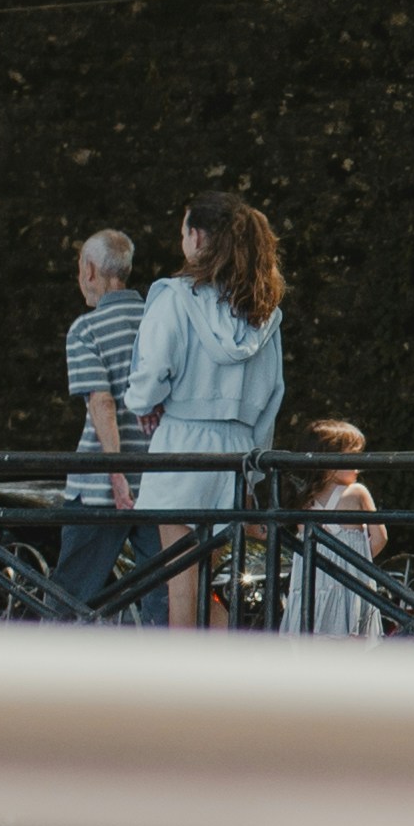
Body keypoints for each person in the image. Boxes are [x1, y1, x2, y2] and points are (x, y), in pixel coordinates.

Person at [129, 193, 290, 629]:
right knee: (203, 584)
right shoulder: (262, 313)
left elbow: (153, 367)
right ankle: (235, 681)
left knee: (182, 587)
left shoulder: (174, 297)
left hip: (182, 442)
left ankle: (188, 692)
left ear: (196, 237)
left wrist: (144, 404)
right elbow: (273, 394)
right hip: (235, 452)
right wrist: (254, 470)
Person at [57, 228, 148, 622]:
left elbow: (101, 400)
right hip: (161, 484)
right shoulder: (158, 321)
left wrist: (116, 473)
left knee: (70, 597)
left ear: (91, 270)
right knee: (165, 592)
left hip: (100, 487)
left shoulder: (86, 329)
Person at [279, 419, 385, 638]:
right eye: (353, 456)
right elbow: (379, 538)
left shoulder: (304, 500)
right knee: (351, 637)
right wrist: (353, 562)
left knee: (312, 634)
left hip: (312, 583)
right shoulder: (357, 493)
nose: (359, 464)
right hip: (349, 582)